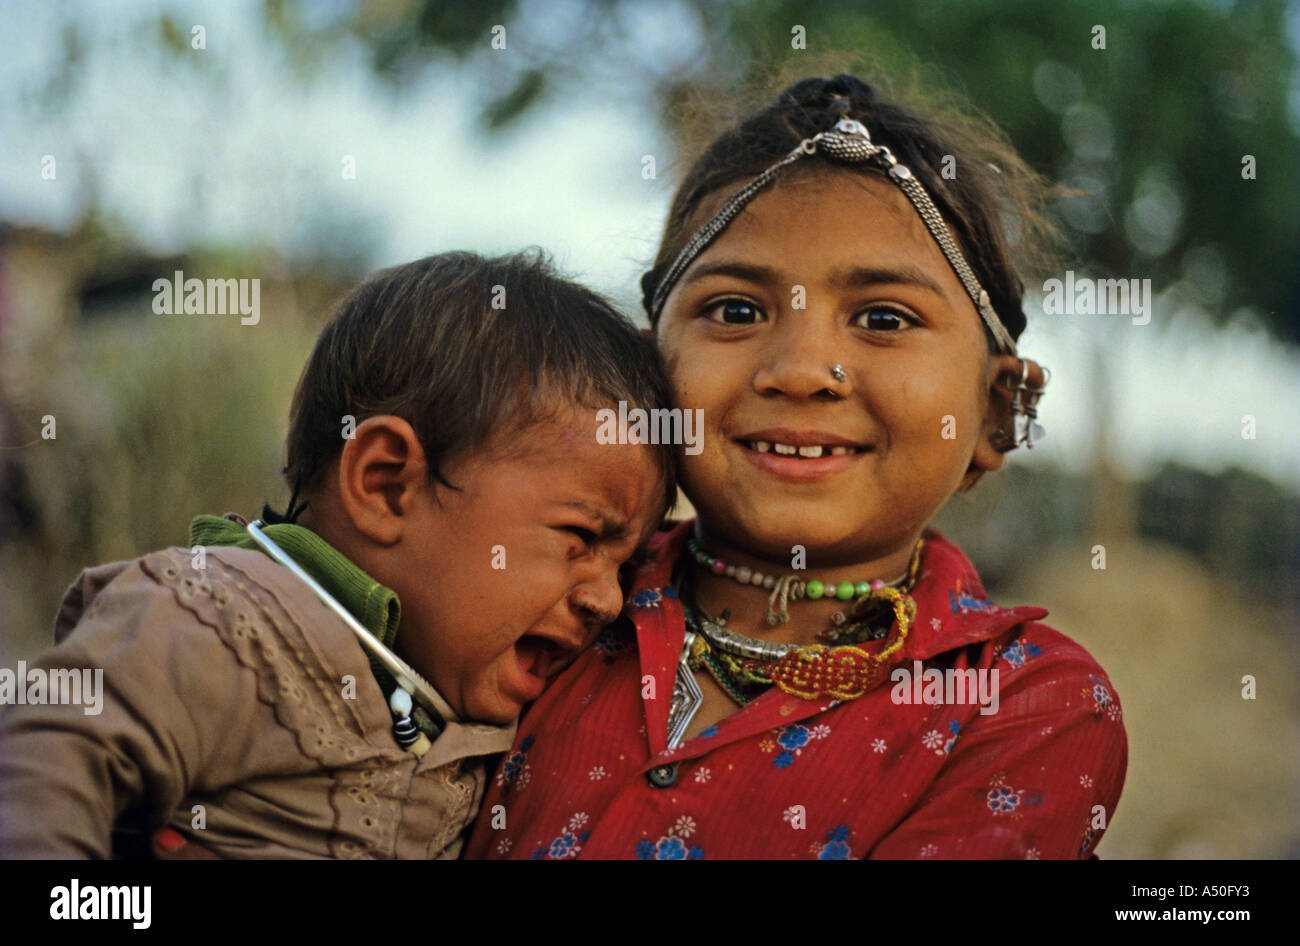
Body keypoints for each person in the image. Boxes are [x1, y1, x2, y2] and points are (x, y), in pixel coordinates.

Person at [464, 75, 1128, 859]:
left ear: (996, 412)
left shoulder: (1024, 707)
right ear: (646, 381)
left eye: (884, 318)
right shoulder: (532, 590)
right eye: (736, 310)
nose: (804, 370)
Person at [0, 250, 672, 859]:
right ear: (386, 485)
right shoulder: (220, 617)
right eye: (581, 538)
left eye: (625, 564)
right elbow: (46, 764)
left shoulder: (483, 716)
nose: (607, 598)